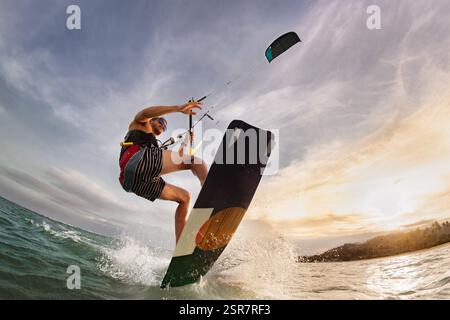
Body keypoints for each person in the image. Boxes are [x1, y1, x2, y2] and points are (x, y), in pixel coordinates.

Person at [119, 101, 208, 243]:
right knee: (196, 162)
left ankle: (181, 245)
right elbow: (144, 114)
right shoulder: (141, 124)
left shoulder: (151, 145)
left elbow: (177, 158)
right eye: (160, 121)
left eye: (165, 125)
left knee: (184, 198)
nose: (163, 125)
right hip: (138, 161)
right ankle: (210, 193)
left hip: (133, 183)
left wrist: (186, 141)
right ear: (151, 120)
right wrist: (177, 107)